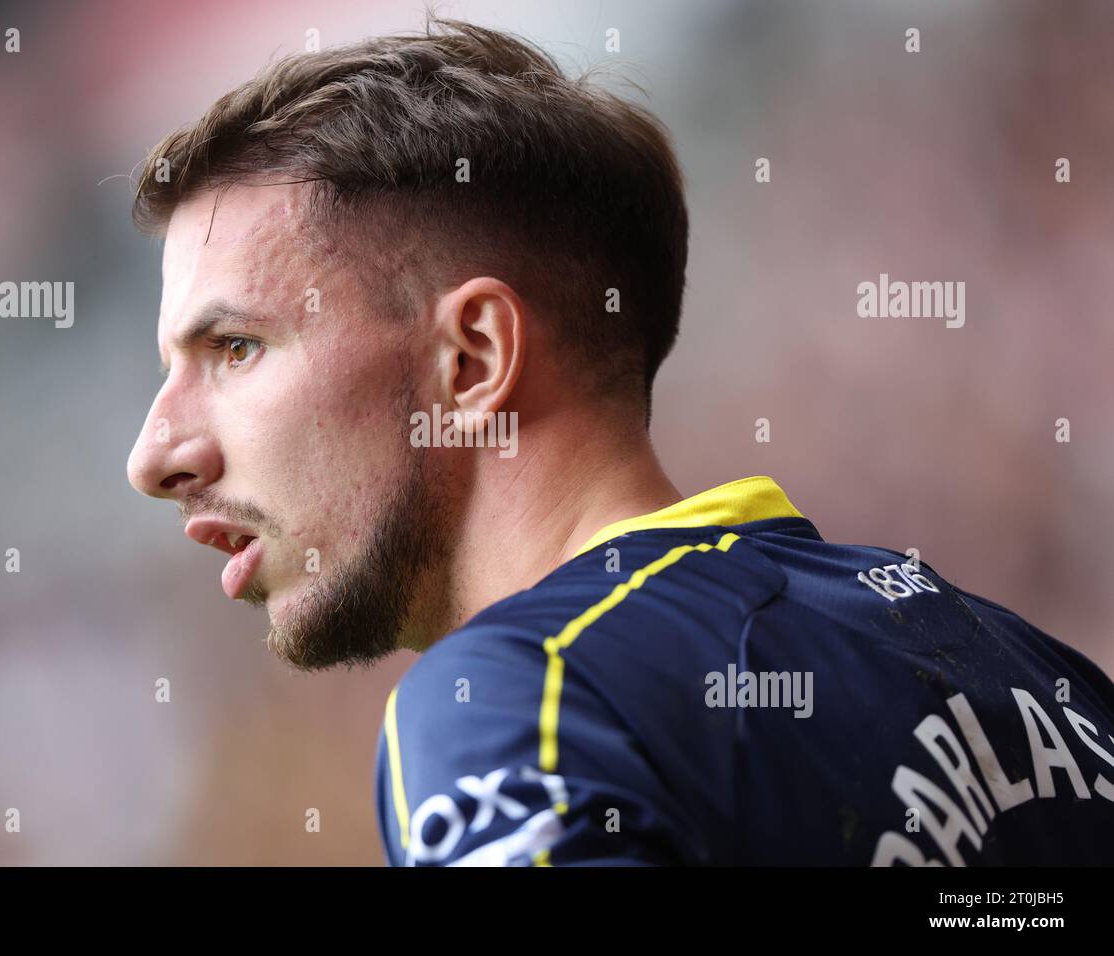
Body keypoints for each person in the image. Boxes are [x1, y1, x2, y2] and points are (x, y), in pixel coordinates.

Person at [124, 17, 1114, 865]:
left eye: (236, 347)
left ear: (469, 359)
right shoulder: (1030, 669)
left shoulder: (515, 704)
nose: (155, 451)